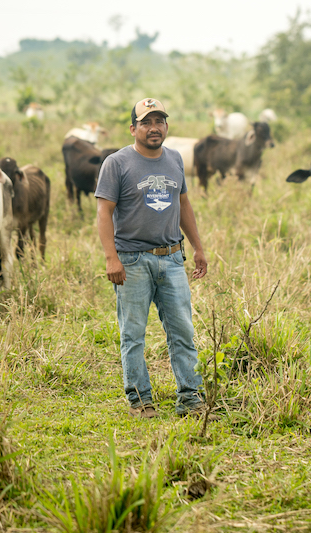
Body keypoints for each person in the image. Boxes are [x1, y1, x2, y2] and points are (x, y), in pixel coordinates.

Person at [95, 97, 211, 419]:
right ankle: (140, 401)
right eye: (145, 122)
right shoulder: (116, 163)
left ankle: (191, 399)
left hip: (172, 258)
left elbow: (183, 204)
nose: (153, 128)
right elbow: (104, 212)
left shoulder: (174, 159)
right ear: (133, 129)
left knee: (183, 332)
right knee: (133, 335)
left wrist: (198, 247)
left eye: (159, 121)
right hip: (132, 262)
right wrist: (111, 258)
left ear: (166, 126)